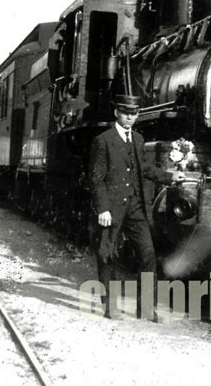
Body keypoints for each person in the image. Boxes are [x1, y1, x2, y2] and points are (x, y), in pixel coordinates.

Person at [90, 94, 180, 319]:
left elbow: (146, 169)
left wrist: (170, 177)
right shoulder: (103, 140)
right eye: (126, 113)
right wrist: (103, 208)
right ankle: (109, 307)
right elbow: (96, 178)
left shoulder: (138, 139)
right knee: (107, 254)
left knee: (148, 254)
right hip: (111, 208)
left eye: (134, 113)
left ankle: (146, 308)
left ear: (138, 115)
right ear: (117, 113)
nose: (130, 117)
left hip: (136, 207)